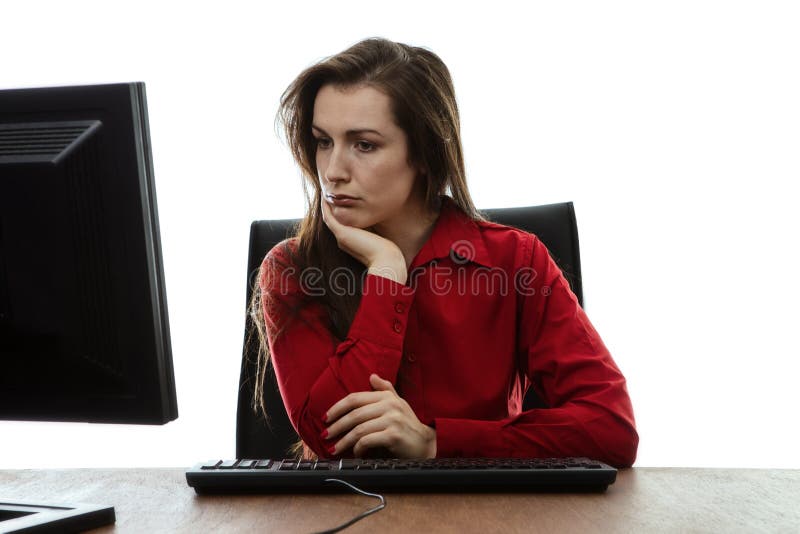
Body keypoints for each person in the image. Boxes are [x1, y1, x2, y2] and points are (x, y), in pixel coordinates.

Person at [251, 37, 638, 467]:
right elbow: (330, 439)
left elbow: (611, 429)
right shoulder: (290, 269)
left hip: (488, 516)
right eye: (323, 141)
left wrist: (438, 442)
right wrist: (386, 273)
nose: (334, 171)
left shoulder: (516, 261)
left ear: (424, 152)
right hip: (346, 516)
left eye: (364, 145)